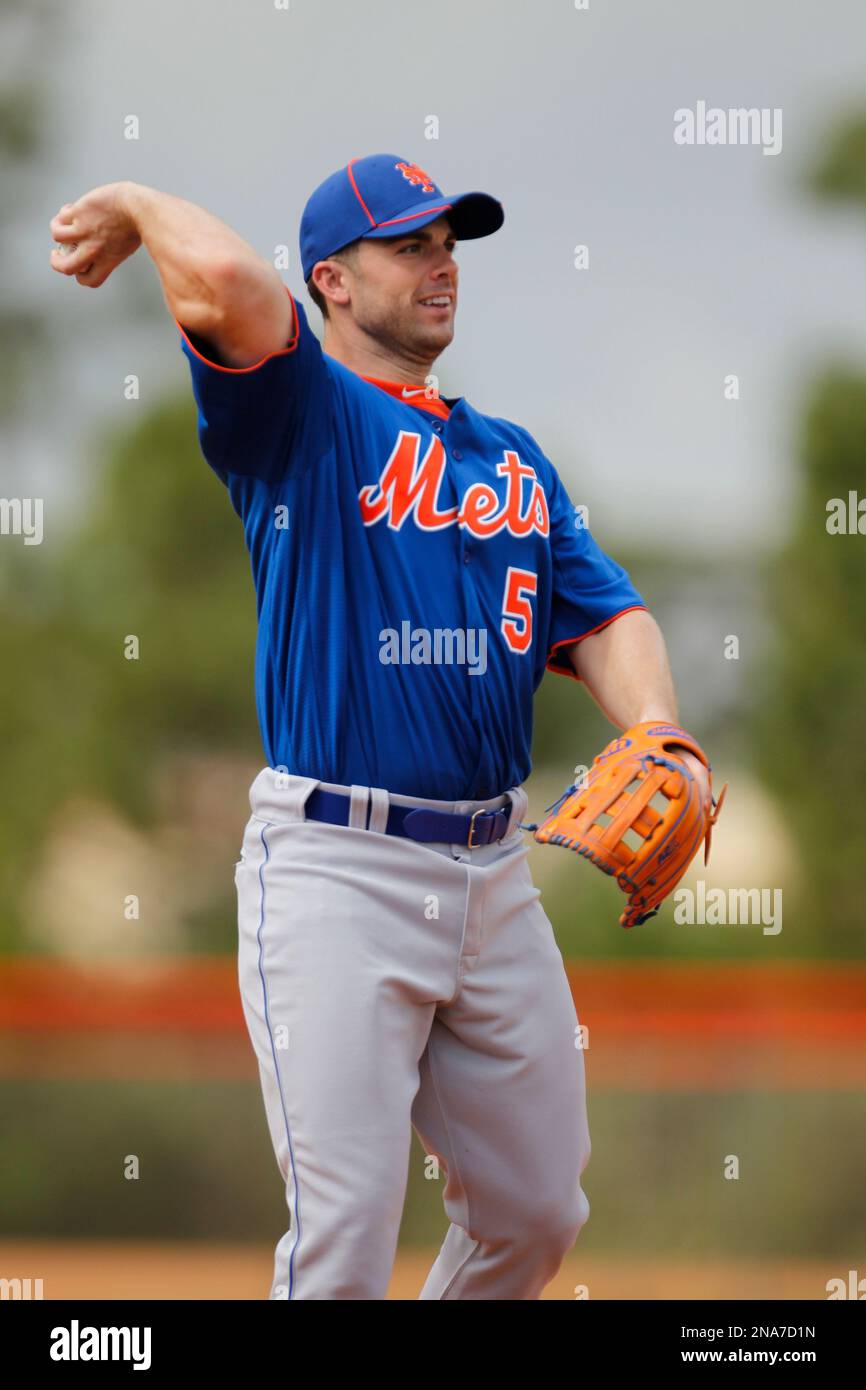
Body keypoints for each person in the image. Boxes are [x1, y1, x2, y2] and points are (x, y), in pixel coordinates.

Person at [50, 155, 711, 1300]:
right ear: (333, 283)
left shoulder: (507, 456)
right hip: (335, 869)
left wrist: (658, 728)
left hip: (492, 872)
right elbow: (215, 280)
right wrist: (137, 203)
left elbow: (608, 613)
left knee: (535, 1211)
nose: (441, 262)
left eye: (448, 243)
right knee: (345, 1240)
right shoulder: (297, 412)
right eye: (409, 245)